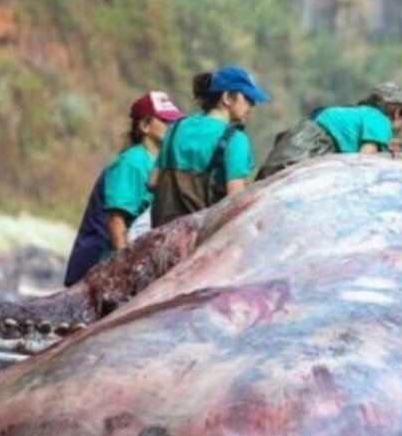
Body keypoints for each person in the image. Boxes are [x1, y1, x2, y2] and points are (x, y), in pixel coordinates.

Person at [63, 91, 186, 286]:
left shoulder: (158, 163)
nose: (172, 127)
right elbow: (116, 221)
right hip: (99, 265)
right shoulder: (131, 163)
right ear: (145, 126)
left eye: (174, 122)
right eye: (165, 121)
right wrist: (126, 273)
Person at [150, 66, 269, 227]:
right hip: (200, 240)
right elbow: (236, 201)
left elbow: (153, 182)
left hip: (162, 234)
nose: (252, 105)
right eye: (248, 98)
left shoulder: (176, 127)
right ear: (227, 97)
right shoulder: (235, 139)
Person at [256, 82, 402, 180]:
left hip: (303, 136)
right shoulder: (381, 120)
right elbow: (365, 161)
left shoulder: (363, 113)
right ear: (398, 112)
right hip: (310, 145)